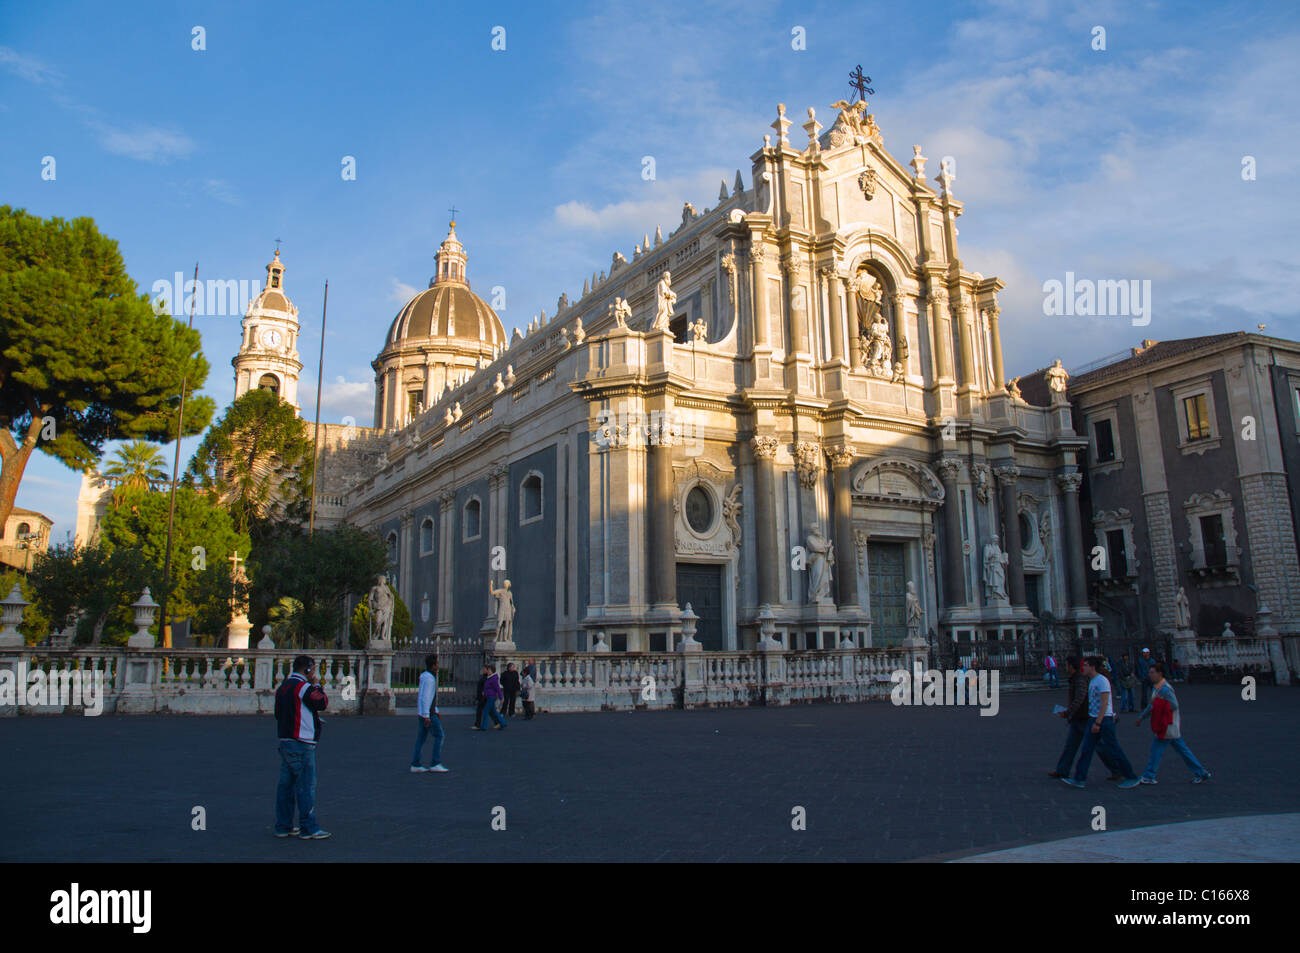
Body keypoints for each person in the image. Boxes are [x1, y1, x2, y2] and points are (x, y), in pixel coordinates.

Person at [274, 655, 331, 839]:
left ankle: (283, 825)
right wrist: (316, 684)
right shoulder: (303, 687)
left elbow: (277, 714)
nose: (313, 672)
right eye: (313, 669)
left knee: (286, 786)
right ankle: (308, 827)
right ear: (307, 669)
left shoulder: (282, 687)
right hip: (302, 742)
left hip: (286, 741)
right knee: (306, 786)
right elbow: (321, 702)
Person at [1061, 656, 1140, 789]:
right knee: (1086, 750)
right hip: (1094, 718)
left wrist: (1097, 723)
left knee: (1113, 749)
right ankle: (1079, 778)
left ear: (1092, 667)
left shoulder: (1102, 681)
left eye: (1085, 665)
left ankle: (1131, 776)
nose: (1083, 668)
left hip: (1103, 720)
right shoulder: (1092, 681)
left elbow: (1105, 703)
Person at [1136, 661, 1211, 784]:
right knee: (1181, 750)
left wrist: (1152, 712)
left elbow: (1173, 705)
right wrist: (1142, 716)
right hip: (1169, 725)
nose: (1150, 675)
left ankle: (1149, 775)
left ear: (1160, 673)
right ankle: (1201, 772)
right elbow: (1152, 705)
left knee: (1157, 750)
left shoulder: (1165, 689)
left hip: (1166, 724)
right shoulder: (1159, 688)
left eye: (1152, 672)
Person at [1049, 657, 1090, 778]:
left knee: (1099, 746)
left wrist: (1068, 712)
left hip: (1084, 717)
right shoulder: (1075, 679)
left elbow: (1079, 699)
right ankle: (1062, 770)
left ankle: (1117, 768)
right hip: (1077, 717)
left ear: (1071, 666)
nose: (1065, 667)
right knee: (1070, 746)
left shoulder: (1080, 679)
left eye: (1066, 665)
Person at [411, 655, 448, 773]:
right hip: (428, 714)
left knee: (421, 739)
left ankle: (416, 764)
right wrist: (428, 714)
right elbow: (426, 697)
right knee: (439, 735)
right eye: (437, 663)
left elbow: (425, 697)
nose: (438, 665)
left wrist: (434, 710)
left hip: (425, 712)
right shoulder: (430, 679)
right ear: (433, 666)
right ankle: (435, 762)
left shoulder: (424, 676)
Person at [479, 664, 507, 730]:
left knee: (486, 711)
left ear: (492, 671)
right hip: (489, 696)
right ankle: (503, 722)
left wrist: (501, 697)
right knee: (494, 711)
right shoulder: (490, 678)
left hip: (491, 697)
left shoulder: (493, 679)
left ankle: (484, 726)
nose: (487, 671)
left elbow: (498, 688)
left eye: (489, 670)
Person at [471, 665, 488, 731]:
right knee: (491, 711)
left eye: (484, 669)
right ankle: (498, 722)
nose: (483, 670)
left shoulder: (486, 677)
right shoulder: (484, 677)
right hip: (482, 696)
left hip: (483, 696)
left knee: (479, 710)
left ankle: (478, 724)